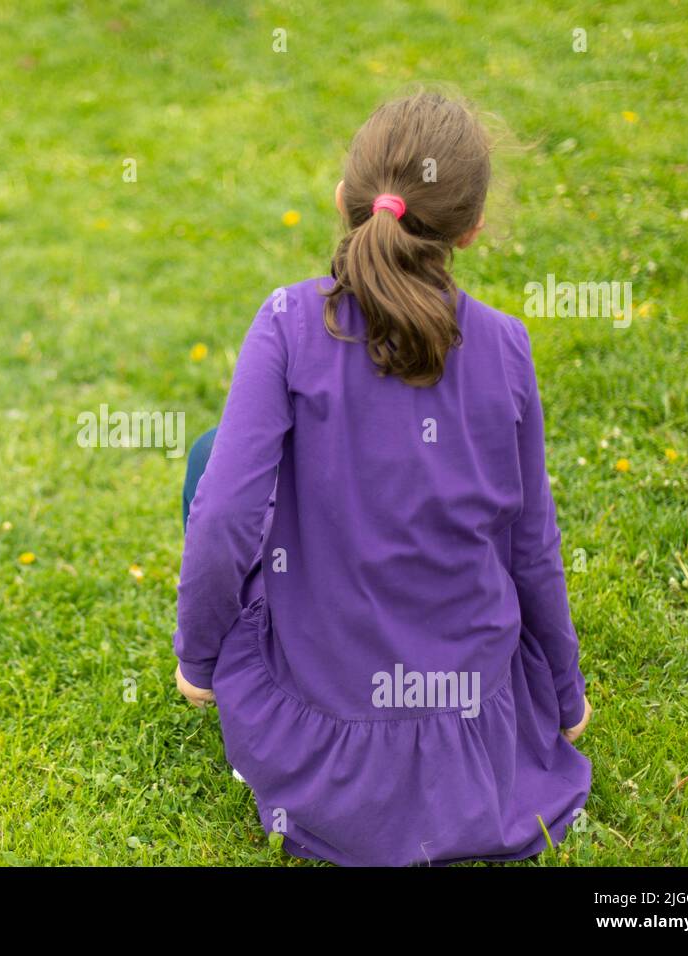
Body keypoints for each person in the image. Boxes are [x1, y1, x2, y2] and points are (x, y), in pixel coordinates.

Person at [173, 92, 592, 866]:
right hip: (477, 746)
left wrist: (197, 661)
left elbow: (227, 517)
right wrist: (565, 698)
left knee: (209, 458)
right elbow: (532, 545)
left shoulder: (288, 321)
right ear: (472, 229)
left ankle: (263, 737)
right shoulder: (506, 346)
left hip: (327, 747)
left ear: (345, 200)